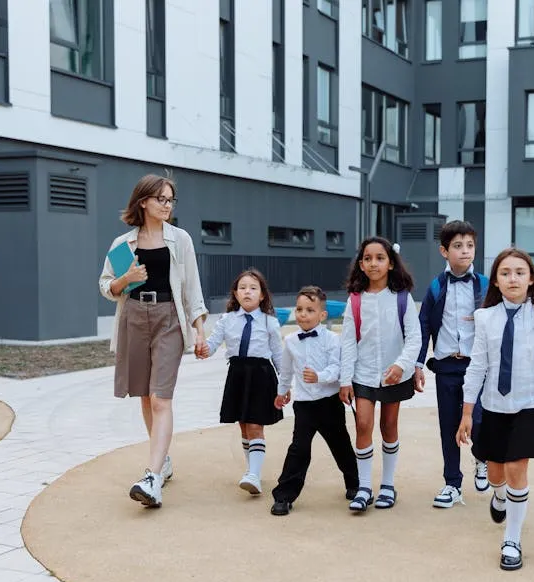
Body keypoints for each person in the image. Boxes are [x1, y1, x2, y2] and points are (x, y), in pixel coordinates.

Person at [456, 247, 534, 571]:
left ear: (530, 280)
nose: (513, 278)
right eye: (506, 273)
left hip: (527, 405)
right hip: (494, 405)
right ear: (496, 281)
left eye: (520, 272)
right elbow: (477, 366)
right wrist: (467, 412)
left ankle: (512, 538)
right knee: (496, 472)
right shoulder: (485, 319)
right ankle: (499, 497)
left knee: (516, 470)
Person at [99, 174, 208, 508]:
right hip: (134, 316)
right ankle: (163, 461)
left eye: (171, 199)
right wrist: (126, 279)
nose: (167, 205)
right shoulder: (124, 244)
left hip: (168, 320)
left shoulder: (180, 240)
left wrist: (200, 329)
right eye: (161, 198)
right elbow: (107, 287)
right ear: (143, 201)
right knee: (145, 397)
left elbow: (191, 289)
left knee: (161, 398)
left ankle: (152, 476)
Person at [339, 237, 420, 513]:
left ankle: (387, 484)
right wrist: (345, 379)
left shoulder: (402, 298)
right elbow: (348, 341)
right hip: (362, 374)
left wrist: (401, 365)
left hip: (393, 374)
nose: (374, 263)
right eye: (368, 258)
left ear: (390, 263)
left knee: (389, 425)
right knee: (363, 424)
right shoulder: (355, 301)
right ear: (360, 264)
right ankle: (363, 486)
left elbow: (415, 339)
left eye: (380, 258)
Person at [415, 220, 490, 508]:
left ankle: (481, 458)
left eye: (470, 245)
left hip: (477, 368)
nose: (465, 251)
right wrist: (418, 364)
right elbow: (423, 326)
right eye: (458, 246)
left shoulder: (485, 285)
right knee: (449, 426)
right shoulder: (436, 287)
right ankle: (452, 484)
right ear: (444, 251)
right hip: (446, 367)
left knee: (480, 419)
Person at [269, 286, 359, 515]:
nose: (303, 314)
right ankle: (284, 495)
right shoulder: (290, 341)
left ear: (322, 315)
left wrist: (319, 376)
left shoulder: (332, 339)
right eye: (299, 309)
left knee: (341, 445)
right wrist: (282, 391)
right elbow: (286, 370)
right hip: (305, 405)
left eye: (310, 310)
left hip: (329, 402)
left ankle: (356, 484)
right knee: (299, 449)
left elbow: (337, 368)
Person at [197, 268, 283, 495]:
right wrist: (202, 348)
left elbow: (279, 355)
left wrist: (285, 386)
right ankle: (251, 469)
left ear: (262, 295)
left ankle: (254, 474)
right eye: (242, 288)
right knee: (244, 426)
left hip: (261, 376)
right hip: (237, 374)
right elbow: (212, 344)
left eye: (253, 288)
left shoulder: (269, 322)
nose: (247, 292)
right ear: (235, 294)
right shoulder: (226, 320)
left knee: (255, 425)